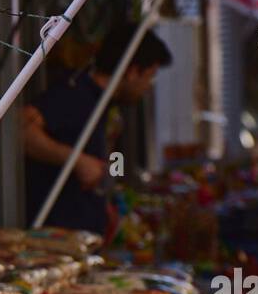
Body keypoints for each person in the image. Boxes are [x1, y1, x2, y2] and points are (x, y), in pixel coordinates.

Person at [22, 25, 172, 234]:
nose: (149, 86)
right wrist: (76, 160)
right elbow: (23, 130)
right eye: (150, 76)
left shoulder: (104, 105)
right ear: (131, 71)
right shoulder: (75, 96)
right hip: (54, 239)